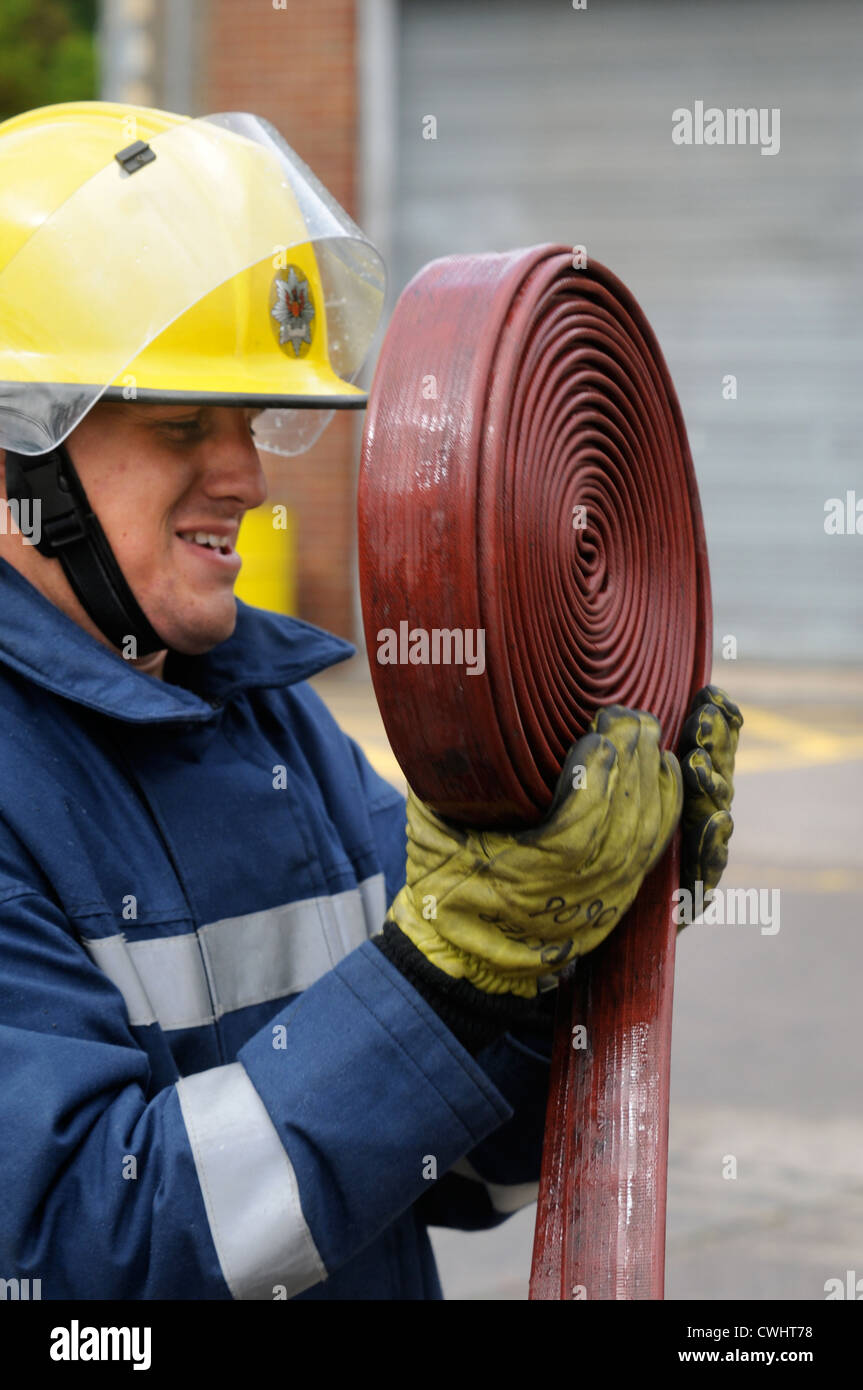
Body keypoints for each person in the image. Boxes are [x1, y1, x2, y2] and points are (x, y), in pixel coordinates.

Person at [0, 101, 741, 1301]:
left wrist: (577, 928)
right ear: (16, 460)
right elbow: (85, 1257)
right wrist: (448, 975)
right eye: (184, 423)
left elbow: (456, 1173)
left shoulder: (272, 726)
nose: (242, 476)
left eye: (247, 422)